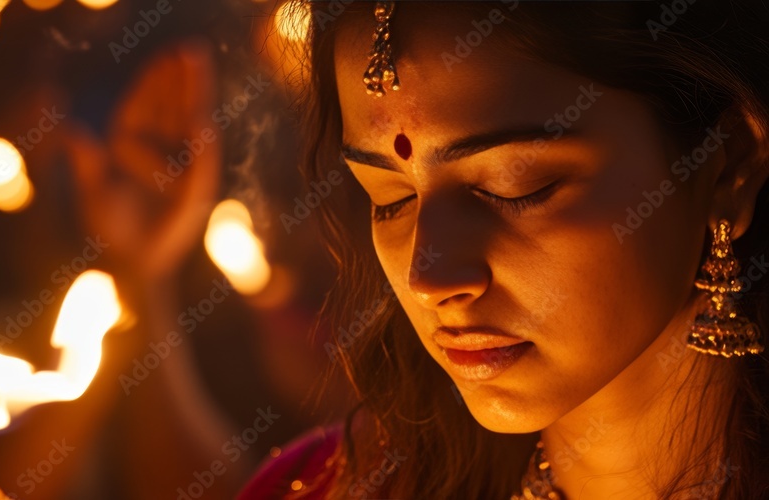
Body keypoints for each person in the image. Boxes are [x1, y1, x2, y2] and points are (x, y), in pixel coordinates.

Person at [238, 1, 769, 499]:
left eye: (512, 187)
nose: (429, 277)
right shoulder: (327, 484)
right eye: (392, 199)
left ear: (728, 166)